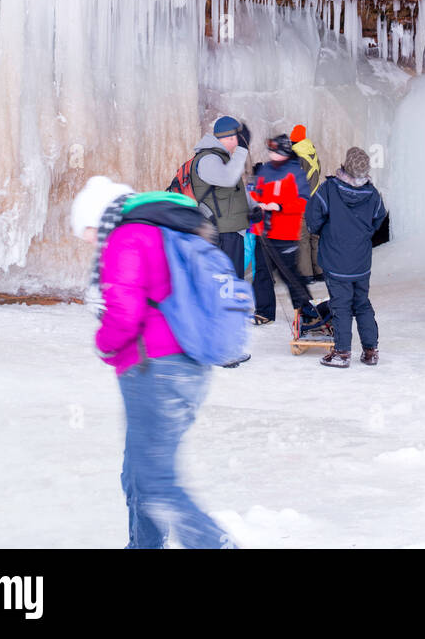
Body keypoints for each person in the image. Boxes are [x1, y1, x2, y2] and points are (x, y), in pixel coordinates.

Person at [70, 174, 237, 550]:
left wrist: (103, 343)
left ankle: (216, 545)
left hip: (155, 369)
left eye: (91, 233)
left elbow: (124, 313)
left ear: (103, 217)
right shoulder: (165, 233)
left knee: (157, 480)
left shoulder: (128, 237)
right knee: (140, 473)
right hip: (185, 367)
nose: (93, 243)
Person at [304, 147, 387, 367]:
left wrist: (328, 232)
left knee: (341, 306)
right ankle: (370, 351)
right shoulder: (373, 194)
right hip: (360, 260)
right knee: (362, 304)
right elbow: (379, 219)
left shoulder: (329, 189)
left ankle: (342, 353)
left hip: (335, 258)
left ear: (346, 164)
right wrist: (364, 234)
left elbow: (313, 219)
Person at [249, 134, 319, 327]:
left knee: (290, 275)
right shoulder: (264, 170)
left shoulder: (295, 172)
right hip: (263, 231)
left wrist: (280, 206)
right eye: (270, 151)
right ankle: (264, 312)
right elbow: (255, 193)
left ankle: (308, 313)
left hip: (285, 233)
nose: (271, 154)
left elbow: (303, 201)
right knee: (262, 273)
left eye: (275, 151)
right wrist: (256, 205)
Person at [187, 116, 253, 278]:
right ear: (231, 137)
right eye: (238, 139)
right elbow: (228, 179)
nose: (239, 143)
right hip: (222, 234)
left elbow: (232, 191)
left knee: (232, 280)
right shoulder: (208, 159)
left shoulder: (220, 157)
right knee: (227, 283)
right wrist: (243, 149)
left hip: (229, 231)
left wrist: (253, 207)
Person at [291, 124, 325, 281]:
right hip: (315, 203)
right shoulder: (312, 153)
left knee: (302, 239)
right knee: (314, 238)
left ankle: (306, 275)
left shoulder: (298, 157)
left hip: (302, 203)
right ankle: (319, 271)